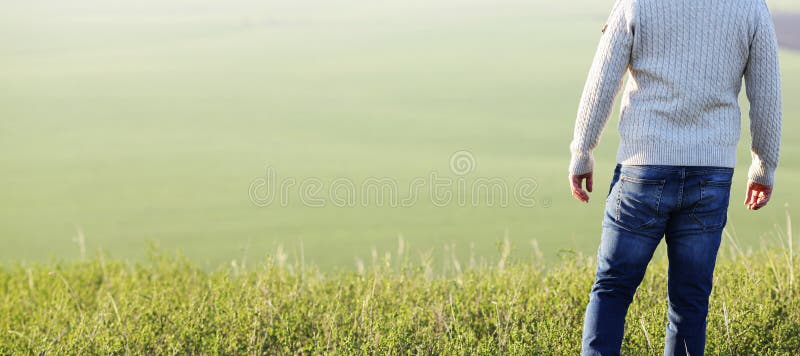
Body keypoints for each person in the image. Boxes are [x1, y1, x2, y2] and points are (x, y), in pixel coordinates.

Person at [567, 0, 782, 354]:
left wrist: (582, 151)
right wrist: (764, 165)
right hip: (711, 173)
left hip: (642, 168)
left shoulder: (636, 3)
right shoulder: (751, 7)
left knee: (612, 289)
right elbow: (767, 92)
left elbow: (603, 78)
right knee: (690, 303)